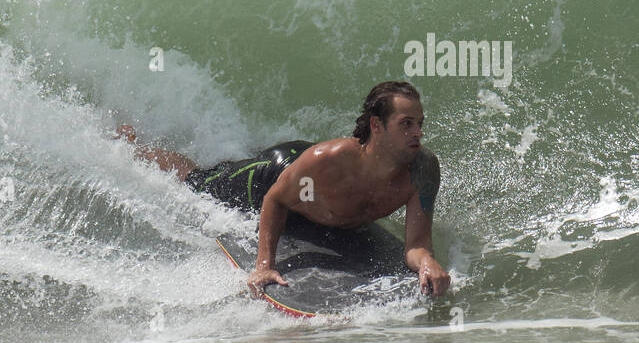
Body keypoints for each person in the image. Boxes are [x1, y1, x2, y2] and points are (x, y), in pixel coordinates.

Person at [118, 81, 450, 298]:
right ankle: (138, 146)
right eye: (406, 124)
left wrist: (426, 263)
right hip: (273, 175)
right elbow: (275, 199)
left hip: (312, 199)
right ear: (377, 126)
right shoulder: (330, 161)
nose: (417, 132)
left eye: (420, 123)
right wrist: (264, 264)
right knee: (199, 181)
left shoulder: (422, 170)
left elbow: (416, 244)